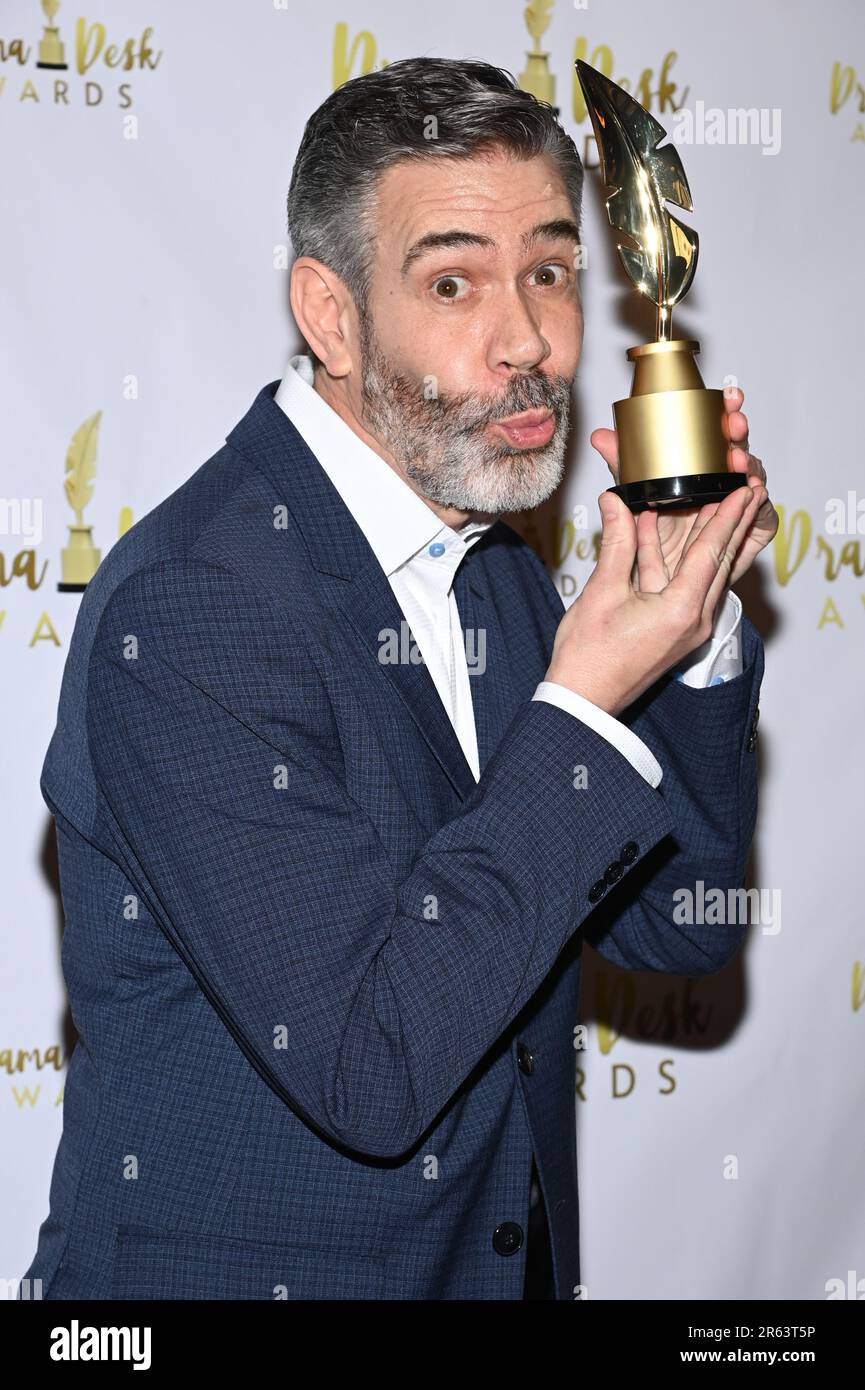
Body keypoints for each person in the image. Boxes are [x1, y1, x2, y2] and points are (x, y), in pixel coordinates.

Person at [22, 56, 776, 1301]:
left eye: (546, 269)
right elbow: (370, 1067)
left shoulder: (490, 565)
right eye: (452, 281)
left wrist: (689, 632)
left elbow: (670, 927)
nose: (529, 337)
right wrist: (583, 701)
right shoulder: (194, 610)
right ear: (330, 315)